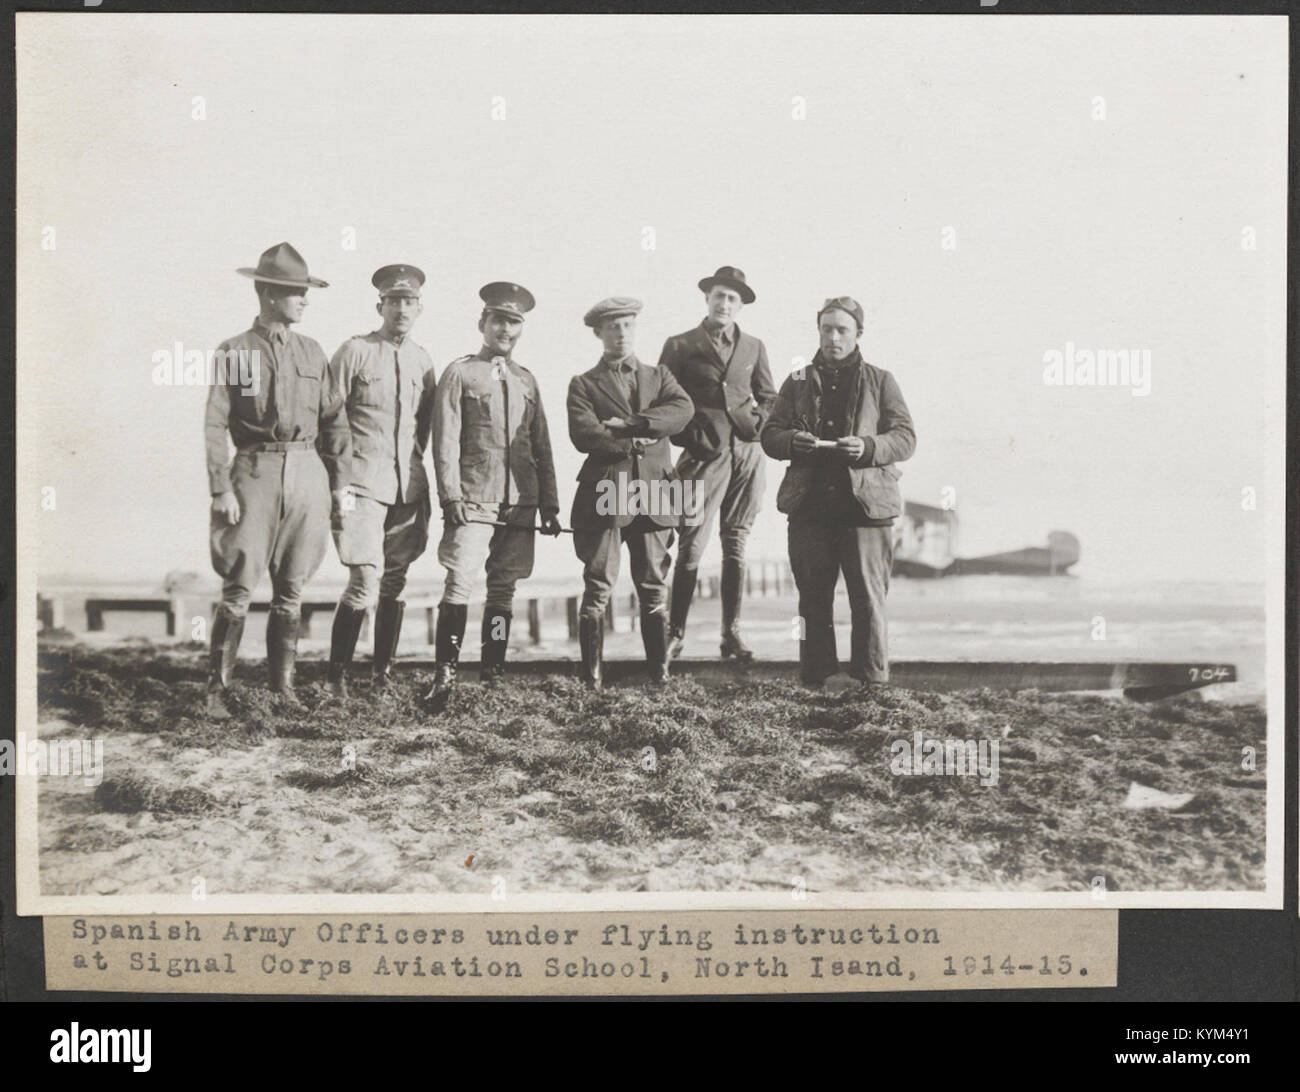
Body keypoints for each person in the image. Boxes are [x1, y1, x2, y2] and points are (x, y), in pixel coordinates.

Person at [205, 242, 350, 710]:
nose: (304, 300)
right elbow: (214, 421)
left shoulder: (313, 351)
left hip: (308, 471)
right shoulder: (235, 351)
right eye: (295, 292)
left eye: (305, 291)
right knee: (240, 584)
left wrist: (339, 482)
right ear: (268, 295)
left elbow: (335, 421)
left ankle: (282, 690)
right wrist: (220, 487)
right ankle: (218, 691)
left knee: (292, 587)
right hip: (254, 470)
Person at [760, 296, 916, 688]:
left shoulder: (881, 380)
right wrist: (792, 441)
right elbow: (770, 434)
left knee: (868, 599)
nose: (833, 337)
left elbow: (905, 438)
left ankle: (872, 682)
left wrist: (868, 447)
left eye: (842, 330)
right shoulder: (796, 379)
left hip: (866, 509)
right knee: (812, 600)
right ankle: (817, 679)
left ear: (858, 334)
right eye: (826, 329)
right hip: (810, 507)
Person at [425, 282, 561, 708]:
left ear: (521, 329)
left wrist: (551, 503)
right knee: (460, 582)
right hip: (473, 498)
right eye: (498, 320)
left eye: (514, 322)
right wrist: (450, 497)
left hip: (520, 501)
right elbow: (444, 440)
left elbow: (542, 446)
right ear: (482, 323)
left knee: (503, 591)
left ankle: (492, 675)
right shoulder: (461, 373)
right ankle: (444, 678)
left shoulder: (527, 380)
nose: (505, 328)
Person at [567, 297, 695, 687]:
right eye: (612, 327)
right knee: (599, 580)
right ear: (598, 333)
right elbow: (584, 433)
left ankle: (660, 675)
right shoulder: (584, 383)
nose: (621, 333)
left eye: (627, 325)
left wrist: (633, 423)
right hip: (608, 486)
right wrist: (631, 444)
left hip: (656, 487)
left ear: (635, 329)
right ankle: (592, 680)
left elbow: (682, 411)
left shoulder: (660, 376)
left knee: (654, 580)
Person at [325, 264, 438, 697]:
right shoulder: (355, 351)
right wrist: (337, 481)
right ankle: (336, 681)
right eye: (394, 301)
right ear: (381, 306)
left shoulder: (422, 361)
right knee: (364, 580)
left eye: (410, 302)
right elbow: (330, 418)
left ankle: (380, 677)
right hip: (360, 485)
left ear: (419, 308)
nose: (402, 309)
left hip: (406, 487)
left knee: (395, 580)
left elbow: (423, 427)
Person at [659, 265, 776, 661]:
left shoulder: (754, 346)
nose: (724, 304)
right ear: (707, 299)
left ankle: (731, 635)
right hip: (703, 455)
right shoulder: (679, 344)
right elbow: (664, 403)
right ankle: (675, 633)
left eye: (732, 298)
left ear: (740, 305)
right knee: (691, 544)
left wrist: (758, 426)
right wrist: (692, 437)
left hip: (747, 453)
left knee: (736, 543)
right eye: (719, 296)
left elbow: (769, 396)